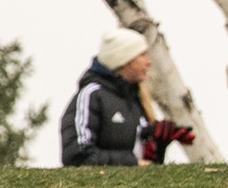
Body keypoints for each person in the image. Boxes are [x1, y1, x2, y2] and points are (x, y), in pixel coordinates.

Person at [60, 28, 195, 166]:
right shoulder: (91, 95)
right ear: (124, 60)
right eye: (142, 55)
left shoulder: (135, 99)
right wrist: (132, 162)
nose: (148, 62)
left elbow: (145, 166)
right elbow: (77, 156)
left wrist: (158, 144)